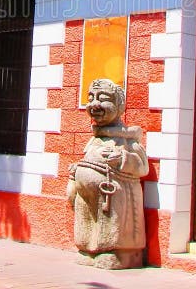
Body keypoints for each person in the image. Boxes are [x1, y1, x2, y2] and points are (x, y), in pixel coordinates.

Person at [67, 79, 149, 269]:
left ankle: (114, 253)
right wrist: (77, 170)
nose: (94, 104)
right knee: (88, 223)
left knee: (111, 224)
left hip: (113, 195)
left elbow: (142, 167)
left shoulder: (127, 139)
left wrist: (122, 158)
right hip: (88, 197)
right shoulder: (96, 137)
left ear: (119, 105)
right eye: (91, 98)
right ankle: (89, 250)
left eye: (103, 99)